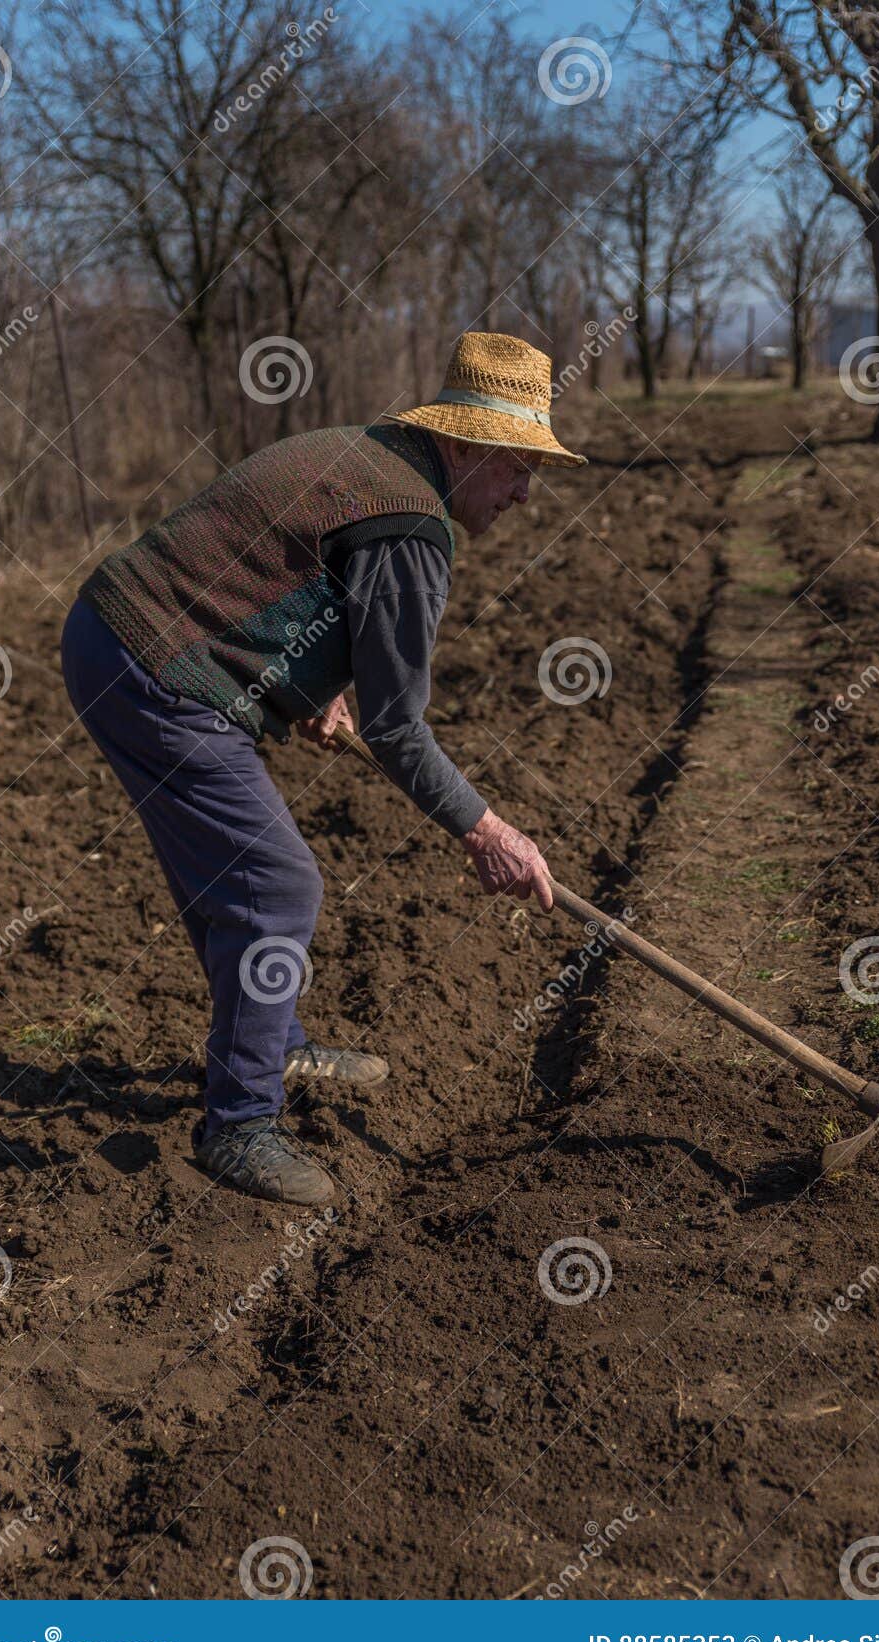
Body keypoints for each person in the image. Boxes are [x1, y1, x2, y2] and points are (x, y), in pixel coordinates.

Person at [60, 331, 587, 1205]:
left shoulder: (370, 455)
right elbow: (398, 726)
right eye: (516, 466)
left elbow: (268, 573)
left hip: (114, 635)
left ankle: (276, 1039)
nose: (528, 491)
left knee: (237, 878)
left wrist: (300, 681)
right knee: (277, 887)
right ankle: (239, 1126)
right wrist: (488, 831)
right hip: (153, 670)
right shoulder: (411, 524)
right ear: (459, 445)